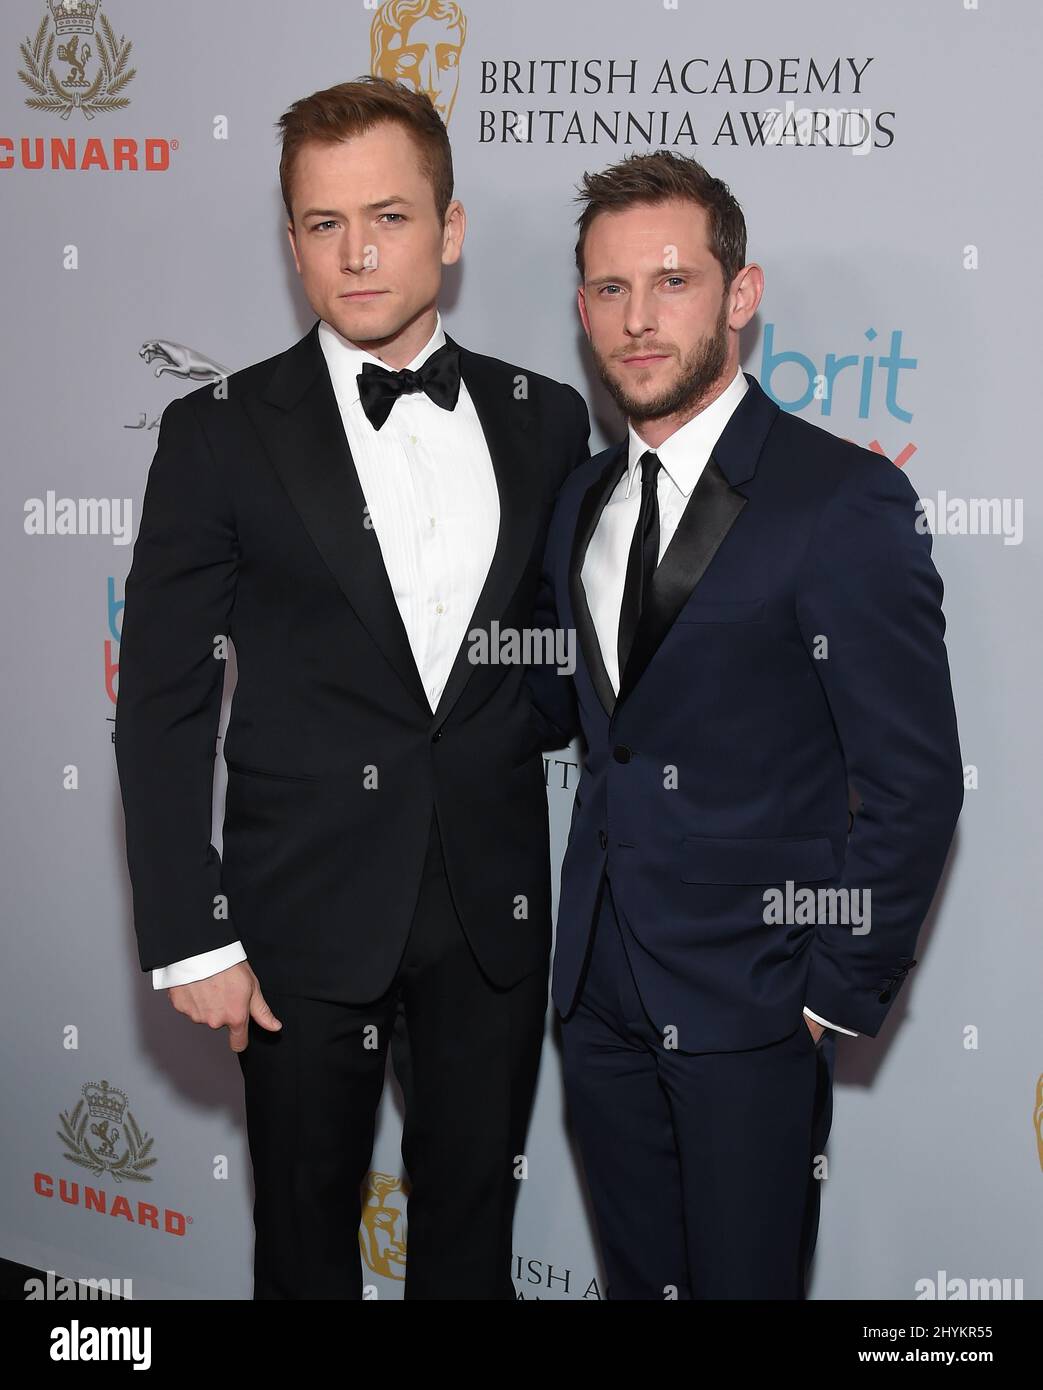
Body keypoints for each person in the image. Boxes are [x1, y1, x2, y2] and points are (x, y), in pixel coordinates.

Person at [114, 76, 589, 1300]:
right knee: (306, 1247)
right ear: (290, 243)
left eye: (387, 215)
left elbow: (551, 649)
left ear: (451, 226)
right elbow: (161, 701)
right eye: (324, 224)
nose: (358, 252)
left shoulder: (545, 421)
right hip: (294, 922)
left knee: (471, 1238)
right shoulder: (215, 432)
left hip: (491, 912)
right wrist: (186, 934)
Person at [530, 149, 963, 1299]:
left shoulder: (839, 498)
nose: (637, 319)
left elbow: (915, 782)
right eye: (608, 290)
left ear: (739, 292)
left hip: (755, 1005)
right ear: (580, 309)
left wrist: (826, 992)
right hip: (599, 996)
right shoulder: (579, 499)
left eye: (670, 282)